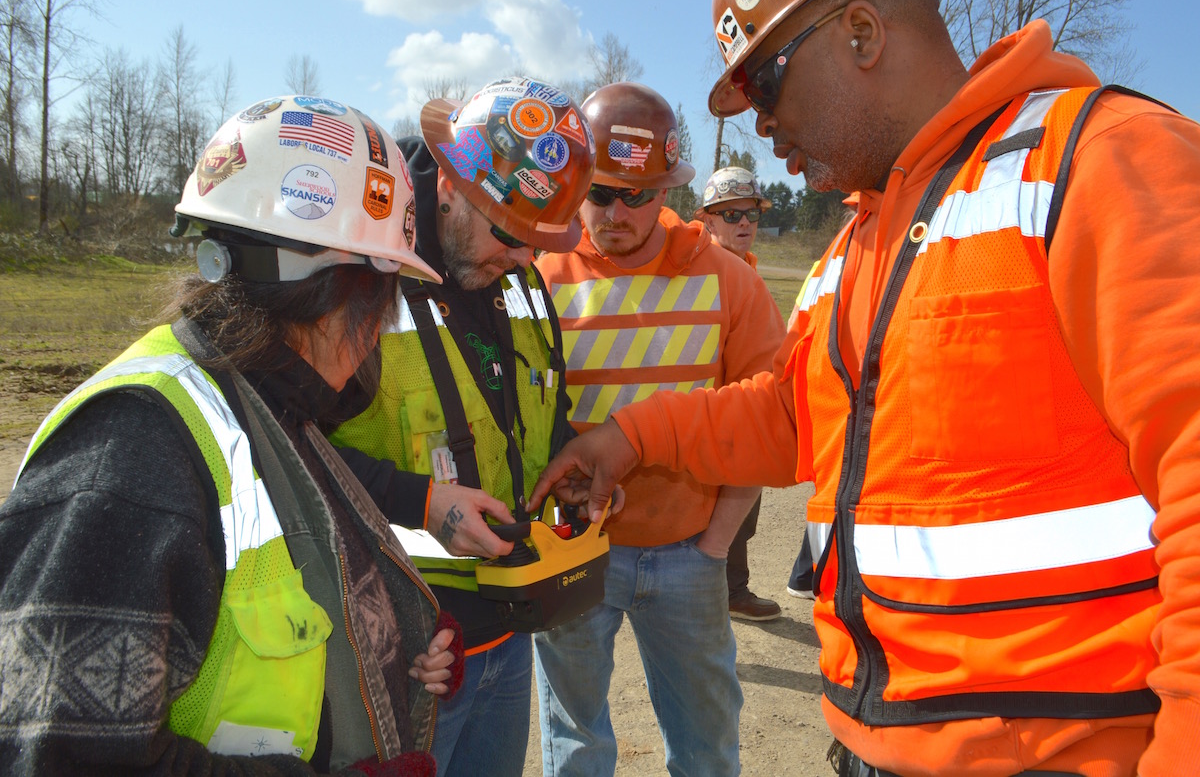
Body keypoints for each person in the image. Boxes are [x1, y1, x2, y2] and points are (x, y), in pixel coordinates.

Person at [530, 0, 1200, 776]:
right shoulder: (854, 250)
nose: (761, 121)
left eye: (764, 84)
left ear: (860, 33)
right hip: (878, 740)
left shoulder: (1102, 162)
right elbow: (789, 416)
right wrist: (629, 439)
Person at [0, 96, 465, 774]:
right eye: (384, 301)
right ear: (342, 289)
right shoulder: (131, 458)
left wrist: (397, 645)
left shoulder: (264, 404)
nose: (376, 341)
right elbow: (55, 758)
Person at [329, 77, 596, 777]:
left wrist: (569, 464)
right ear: (448, 182)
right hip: (403, 653)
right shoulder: (357, 275)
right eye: (511, 236)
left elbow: (539, 409)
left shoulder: (519, 277)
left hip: (507, 633)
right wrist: (420, 503)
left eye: (538, 243)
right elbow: (286, 453)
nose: (525, 260)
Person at [531, 82, 785, 777]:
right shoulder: (539, 274)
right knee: (575, 736)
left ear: (665, 190)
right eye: (599, 190)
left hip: (687, 555)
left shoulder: (728, 280)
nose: (614, 212)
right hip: (575, 550)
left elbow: (767, 416)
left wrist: (716, 544)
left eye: (635, 195)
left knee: (705, 742)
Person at [693, 165, 785, 620]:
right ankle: (715, 600)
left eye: (750, 213)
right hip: (708, 415)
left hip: (740, 411)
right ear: (707, 220)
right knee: (712, 518)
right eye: (730, 215)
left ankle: (734, 591)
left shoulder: (744, 268)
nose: (743, 223)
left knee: (741, 512)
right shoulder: (701, 271)